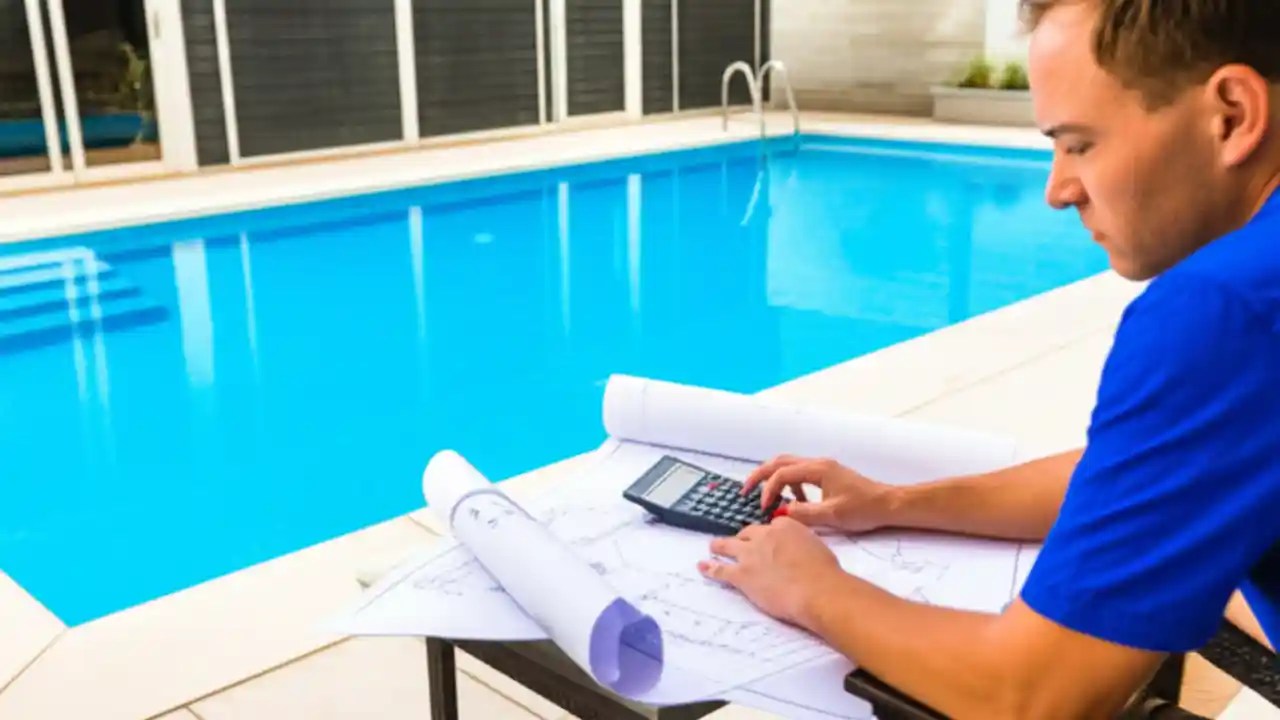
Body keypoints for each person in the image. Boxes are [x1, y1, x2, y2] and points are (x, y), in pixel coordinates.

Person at [696, 1, 1280, 717]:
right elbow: (1150, 473)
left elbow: (1031, 695)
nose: (1057, 190)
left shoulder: (1227, 307)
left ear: (1232, 114)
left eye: (1080, 145)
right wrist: (896, 504)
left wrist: (812, 587)